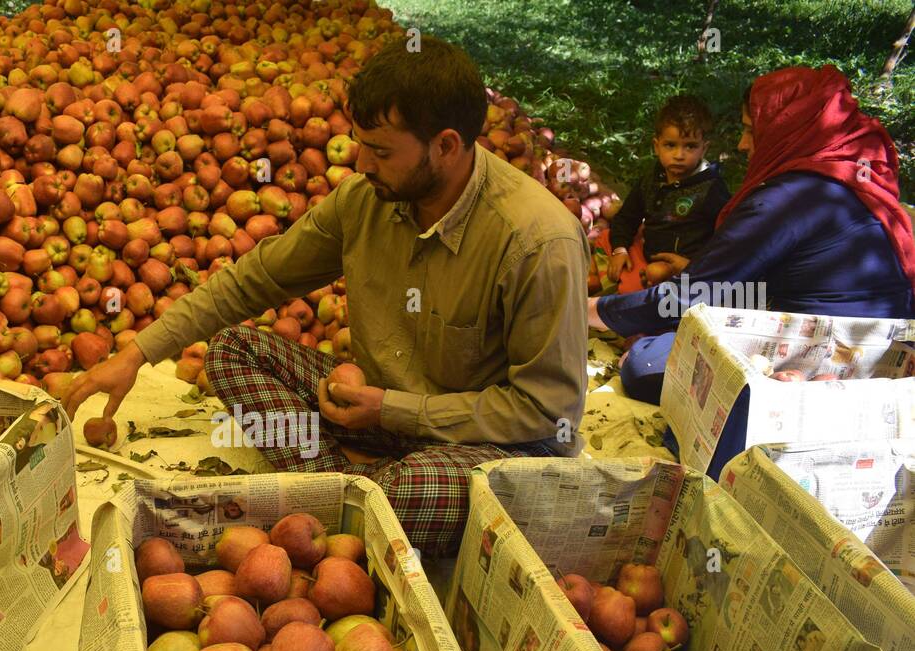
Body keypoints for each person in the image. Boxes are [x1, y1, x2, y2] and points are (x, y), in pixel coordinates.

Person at [65, 37, 589, 555]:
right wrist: (136, 354)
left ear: (447, 146)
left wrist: (393, 410)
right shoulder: (366, 200)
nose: (361, 162)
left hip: (490, 442)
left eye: (381, 151)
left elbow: (545, 410)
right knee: (232, 351)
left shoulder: (539, 242)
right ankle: (343, 488)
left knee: (411, 489)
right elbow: (256, 278)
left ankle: (349, 493)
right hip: (378, 415)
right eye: (359, 142)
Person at [589, 65, 915, 408]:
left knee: (644, 365)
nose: (743, 144)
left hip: (828, 350)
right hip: (885, 340)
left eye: (750, 130)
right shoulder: (844, 173)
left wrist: (595, 310)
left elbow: (691, 294)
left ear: (784, 129)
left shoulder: (783, 200)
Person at [604, 95, 730, 289]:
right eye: (670, 145)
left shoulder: (711, 188)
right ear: (657, 146)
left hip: (685, 267)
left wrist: (692, 265)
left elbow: (725, 237)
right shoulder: (650, 180)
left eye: (690, 146)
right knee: (605, 238)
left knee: (646, 283)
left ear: (704, 149)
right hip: (647, 255)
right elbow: (627, 218)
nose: (679, 155)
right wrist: (620, 250)